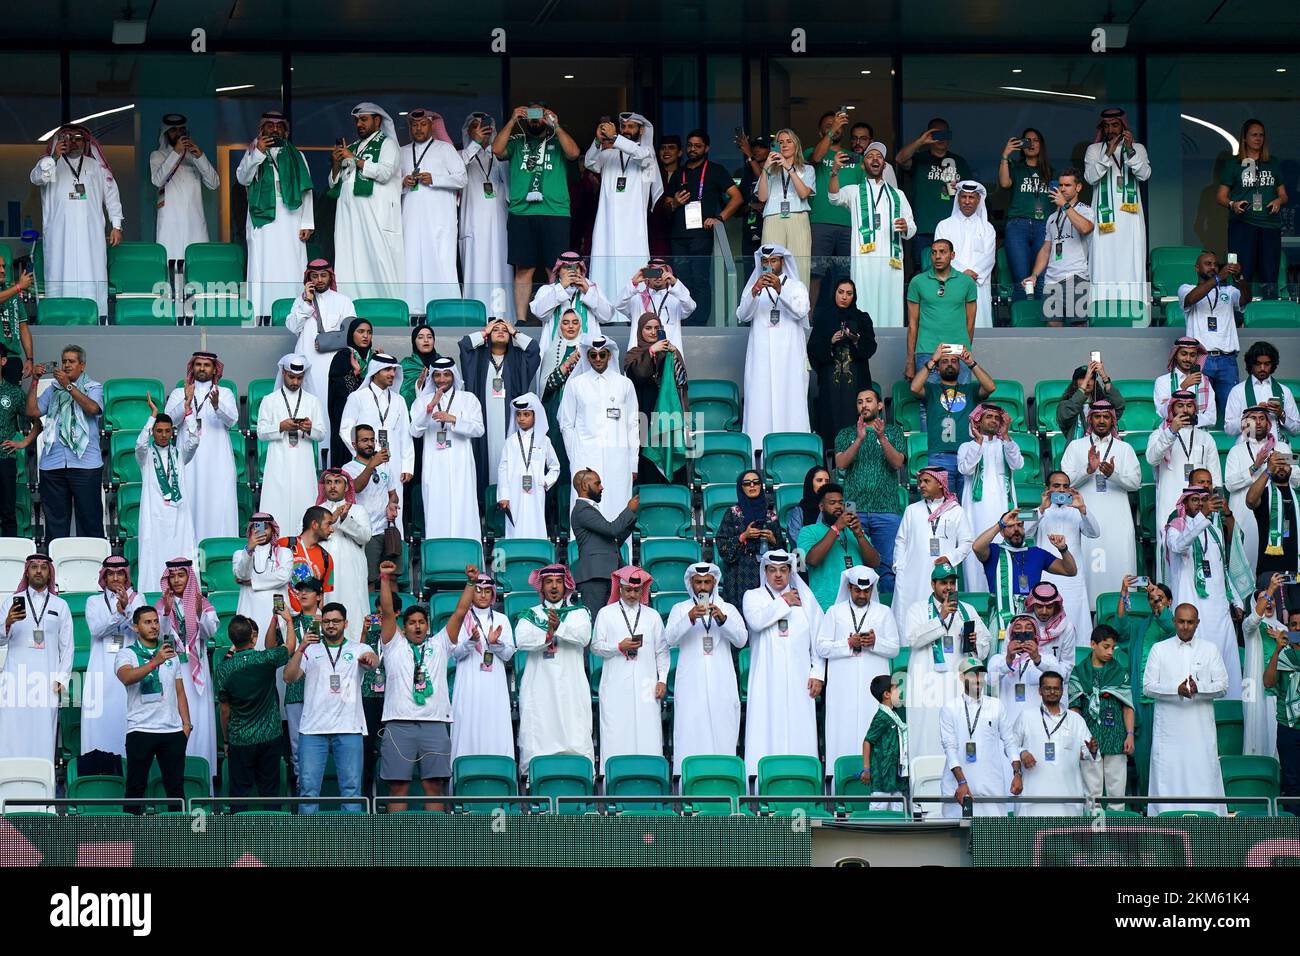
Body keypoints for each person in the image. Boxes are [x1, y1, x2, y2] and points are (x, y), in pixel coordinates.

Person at [492, 102, 583, 325]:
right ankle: (522, 320)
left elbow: (574, 153)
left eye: (539, 115)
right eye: (531, 115)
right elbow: (496, 150)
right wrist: (513, 121)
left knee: (556, 267)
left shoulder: (556, 139)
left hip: (555, 212)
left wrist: (556, 126)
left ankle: (556, 317)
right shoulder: (516, 141)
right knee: (524, 268)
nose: (535, 119)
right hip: (521, 212)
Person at [285, 600, 378, 814]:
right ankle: (310, 845)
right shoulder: (310, 650)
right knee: (308, 791)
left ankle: (352, 846)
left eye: (336, 621)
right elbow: (289, 678)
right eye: (326, 621)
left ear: (346, 623)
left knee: (352, 791)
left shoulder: (359, 648)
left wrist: (370, 658)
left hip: (349, 727)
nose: (331, 625)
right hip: (312, 730)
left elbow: (374, 661)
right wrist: (301, 647)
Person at [742, 550, 825, 781]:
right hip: (765, 680)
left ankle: (802, 783)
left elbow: (819, 637)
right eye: (772, 570)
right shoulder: (753, 596)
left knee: (800, 730)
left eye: (783, 570)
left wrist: (818, 673)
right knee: (764, 731)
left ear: (790, 571)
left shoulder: (805, 598)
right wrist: (784, 602)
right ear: (765, 572)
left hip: (801, 680)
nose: (778, 575)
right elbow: (756, 622)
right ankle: (762, 787)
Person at [376, 571, 451, 813]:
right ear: (404, 627)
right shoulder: (393, 644)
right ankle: (398, 848)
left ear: (428, 626)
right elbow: (387, 611)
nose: (417, 626)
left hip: (434, 723)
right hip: (399, 724)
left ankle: (437, 848)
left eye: (421, 622)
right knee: (398, 786)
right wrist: (385, 580)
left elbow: (460, 612)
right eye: (411, 622)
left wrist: (471, 584)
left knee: (433, 785)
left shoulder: (439, 644)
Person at [1143, 602, 1229, 815]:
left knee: (1203, 774)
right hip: (1169, 733)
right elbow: (1148, 687)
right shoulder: (1159, 649)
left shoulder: (1210, 649)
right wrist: (1176, 689)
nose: (1185, 626)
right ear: (1174, 622)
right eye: (1181, 621)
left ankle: (1207, 826)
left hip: (1200, 731)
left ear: (1198, 623)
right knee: (1168, 776)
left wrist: (1199, 688)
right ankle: (1165, 828)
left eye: (1190, 622)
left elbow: (1223, 686)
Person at [903, 560, 991, 762]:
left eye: (952, 582)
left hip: (958, 684)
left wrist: (976, 642)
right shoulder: (917, 609)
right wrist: (940, 617)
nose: (949, 587)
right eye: (944, 583)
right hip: (928, 683)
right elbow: (913, 639)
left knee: (960, 731)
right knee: (928, 733)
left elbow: (985, 644)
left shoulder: (967, 610)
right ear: (933, 584)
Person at [29, 125, 122, 316]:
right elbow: (36, 179)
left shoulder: (95, 165)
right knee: (61, 276)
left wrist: (117, 225)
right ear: (60, 142)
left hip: (91, 237)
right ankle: (60, 317)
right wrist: (53, 157)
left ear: (85, 142)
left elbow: (111, 194)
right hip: (60, 237)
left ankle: (96, 317)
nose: (73, 142)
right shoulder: (49, 165)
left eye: (78, 138)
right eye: (68, 139)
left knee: (92, 276)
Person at [664, 563, 747, 775]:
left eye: (707, 582)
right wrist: (689, 618)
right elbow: (670, 639)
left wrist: (722, 620)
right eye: (698, 582)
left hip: (722, 681)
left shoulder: (728, 608)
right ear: (691, 583)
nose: (702, 587)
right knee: (691, 730)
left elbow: (741, 640)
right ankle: (689, 784)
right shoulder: (680, 609)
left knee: (723, 730)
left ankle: (723, 781)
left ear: (714, 583)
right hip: (692, 683)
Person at [818, 566, 899, 781]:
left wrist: (875, 643)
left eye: (867, 591)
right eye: (857, 591)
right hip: (842, 688)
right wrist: (848, 644)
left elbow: (895, 648)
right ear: (848, 588)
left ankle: (878, 794)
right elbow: (821, 647)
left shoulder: (884, 612)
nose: (862, 595)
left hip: (873, 691)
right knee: (841, 733)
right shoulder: (834, 612)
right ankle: (839, 790)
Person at [1165, 486, 1245, 699]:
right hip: (1194, 604)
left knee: (1225, 658)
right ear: (1185, 503)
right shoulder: (1176, 527)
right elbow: (1178, 546)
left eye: (1203, 500)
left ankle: (1230, 708)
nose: (1200, 504)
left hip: (1218, 608)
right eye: (1195, 500)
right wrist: (1202, 518)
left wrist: (1236, 600)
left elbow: (1222, 569)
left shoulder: (1215, 530)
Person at [514, 564, 595, 767]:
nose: (554, 586)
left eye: (558, 582)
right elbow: (521, 639)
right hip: (539, 685)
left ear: (566, 586)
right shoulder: (529, 614)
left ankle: (579, 773)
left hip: (571, 686)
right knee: (539, 729)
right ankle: (533, 775)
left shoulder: (579, 613)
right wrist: (547, 634)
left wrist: (559, 627)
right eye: (549, 582)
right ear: (541, 587)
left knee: (574, 731)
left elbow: (584, 638)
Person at [236, 110, 314, 318]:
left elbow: (306, 190)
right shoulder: (253, 152)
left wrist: (307, 222)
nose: (275, 129)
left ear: (286, 131)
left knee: (291, 265)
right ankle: (262, 313)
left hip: (292, 218)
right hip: (263, 219)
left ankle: (291, 314)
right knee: (263, 266)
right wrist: (258, 153)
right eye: (269, 125)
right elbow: (243, 178)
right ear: (262, 130)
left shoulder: (297, 155)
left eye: (279, 126)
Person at [1060, 400, 1141, 598]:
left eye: (1106, 417)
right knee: (1088, 570)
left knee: (1119, 565)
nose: (1102, 421)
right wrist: (1088, 470)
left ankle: (1123, 611)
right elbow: (1065, 483)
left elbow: (1135, 483)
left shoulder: (1124, 449)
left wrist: (1114, 474)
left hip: (1118, 521)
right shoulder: (1075, 447)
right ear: (1090, 420)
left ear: (1112, 420)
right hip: (1087, 519)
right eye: (1097, 417)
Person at [591, 566, 668, 770]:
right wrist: (618, 647)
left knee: (648, 731)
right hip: (615, 684)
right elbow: (596, 647)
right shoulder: (606, 614)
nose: (632, 594)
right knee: (616, 732)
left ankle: (650, 778)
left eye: (636, 590)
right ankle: (614, 780)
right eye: (628, 590)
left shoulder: (652, 616)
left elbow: (662, 651)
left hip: (646, 684)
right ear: (620, 589)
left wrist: (663, 680)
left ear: (642, 590)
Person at [665, 130, 744, 328]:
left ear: (706, 148)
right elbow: (666, 202)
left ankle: (699, 323)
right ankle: (682, 323)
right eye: (690, 145)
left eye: (697, 146)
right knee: (681, 280)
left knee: (699, 278)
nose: (693, 149)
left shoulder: (716, 170)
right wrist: (674, 202)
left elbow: (737, 197)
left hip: (702, 234)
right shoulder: (679, 172)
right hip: (678, 235)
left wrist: (719, 218)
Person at [115, 605, 190, 813]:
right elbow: (127, 677)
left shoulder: (170, 653)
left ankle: (178, 838)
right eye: (147, 622)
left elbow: (180, 692)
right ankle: (132, 842)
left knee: (176, 790)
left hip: (172, 730)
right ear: (135, 627)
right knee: (135, 789)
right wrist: (155, 661)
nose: (154, 626)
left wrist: (186, 724)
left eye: (156, 621)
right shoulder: (126, 654)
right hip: (141, 729)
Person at [738, 244, 812, 450]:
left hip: (789, 359)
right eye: (765, 262)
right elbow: (742, 315)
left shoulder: (796, 286)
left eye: (773, 261)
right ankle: (757, 457)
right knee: (759, 406)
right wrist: (754, 293)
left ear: (782, 262)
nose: (769, 265)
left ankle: (794, 454)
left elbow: (801, 311)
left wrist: (780, 289)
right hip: (761, 359)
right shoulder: (754, 286)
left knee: (791, 404)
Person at [0, 555, 74, 761]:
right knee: (11, 729)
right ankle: (8, 782)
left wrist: (62, 677)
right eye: (34, 567)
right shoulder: (11, 602)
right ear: (27, 572)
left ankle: (42, 786)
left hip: (47, 680)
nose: (39, 571)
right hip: (15, 678)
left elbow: (67, 646)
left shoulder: (60, 605)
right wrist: (6, 623)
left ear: (50, 572)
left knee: (43, 731)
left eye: (43, 567)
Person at [216, 612, 293, 807]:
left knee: (239, 795)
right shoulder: (266, 659)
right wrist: (289, 621)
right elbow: (289, 648)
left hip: (240, 740)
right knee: (270, 793)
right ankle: (272, 835)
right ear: (253, 637)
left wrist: (226, 741)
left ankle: (237, 836)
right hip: (270, 737)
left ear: (232, 640)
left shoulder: (223, 668)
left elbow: (225, 711)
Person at [328, 102, 403, 299]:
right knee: (350, 261)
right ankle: (350, 305)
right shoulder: (351, 147)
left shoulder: (388, 144)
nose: (359, 124)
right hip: (349, 217)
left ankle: (388, 309)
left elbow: (385, 172)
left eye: (364, 119)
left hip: (375, 215)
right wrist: (336, 163)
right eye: (356, 121)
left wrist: (355, 159)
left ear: (377, 120)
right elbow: (334, 182)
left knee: (378, 263)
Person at [27, 347, 103, 540]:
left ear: (82, 365)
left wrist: (69, 386)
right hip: (52, 464)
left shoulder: (94, 387)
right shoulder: (53, 388)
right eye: (64, 361)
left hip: (85, 464)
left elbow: (93, 409)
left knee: (90, 521)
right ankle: (55, 568)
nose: (67, 365)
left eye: (71, 361)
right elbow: (33, 412)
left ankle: (94, 566)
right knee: (55, 525)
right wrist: (35, 381)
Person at [559, 337, 639, 521]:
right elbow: (566, 424)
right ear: (587, 357)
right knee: (587, 509)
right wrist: (576, 457)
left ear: (609, 355)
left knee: (618, 505)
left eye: (602, 354)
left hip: (618, 459)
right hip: (585, 457)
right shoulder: (576, 384)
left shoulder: (624, 384)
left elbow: (633, 425)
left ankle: (620, 550)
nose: (597, 359)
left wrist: (633, 462)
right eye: (593, 355)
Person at [153, 558, 217, 786]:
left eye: (181, 575)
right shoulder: (162, 605)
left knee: (199, 718)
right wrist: (167, 612)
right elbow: (157, 636)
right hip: (173, 669)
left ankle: (201, 778)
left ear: (189, 577)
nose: (177, 580)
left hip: (196, 669)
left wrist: (199, 612)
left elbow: (210, 633)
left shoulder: (203, 602)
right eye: (173, 575)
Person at [833, 388, 905, 592]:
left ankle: (887, 617)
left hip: (886, 510)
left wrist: (882, 438)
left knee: (888, 568)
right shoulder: (847, 433)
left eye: (868, 400)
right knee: (855, 568)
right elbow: (841, 464)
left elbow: (897, 463)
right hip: (854, 510)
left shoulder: (893, 432)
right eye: (859, 402)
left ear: (880, 405)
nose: (864, 405)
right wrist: (859, 440)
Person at [459, 316, 541, 494]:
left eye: (505, 330)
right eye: (496, 330)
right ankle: (484, 503)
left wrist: (515, 331)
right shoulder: (478, 358)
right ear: (488, 336)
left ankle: (509, 499)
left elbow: (534, 349)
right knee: (485, 461)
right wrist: (485, 331)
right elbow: (465, 345)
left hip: (510, 420)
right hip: (485, 421)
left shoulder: (518, 359)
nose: (501, 332)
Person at [585, 112, 662, 301]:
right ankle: (606, 310)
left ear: (641, 130)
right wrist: (597, 140)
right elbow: (589, 162)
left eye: (631, 127)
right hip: (608, 224)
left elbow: (639, 153)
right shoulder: (609, 154)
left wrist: (615, 137)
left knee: (634, 263)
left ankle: (634, 309)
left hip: (633, 226)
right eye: (623, 127)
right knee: (606, 265)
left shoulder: (646, 153)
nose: (626, 130)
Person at [164, 351, 238, 541]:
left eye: (206, 365)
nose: (202, 368)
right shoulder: (179, 393)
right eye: (198, 364)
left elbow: (232, 420)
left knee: (217, 503)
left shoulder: (225, 393)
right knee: (189, 500)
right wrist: (185, 402)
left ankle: (217, 550)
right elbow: (168, 421)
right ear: (192, 367)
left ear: (214, 369)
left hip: (217, 460)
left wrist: (216, 405)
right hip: (188, 459)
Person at [444, 566, 515, 762]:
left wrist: (496, 643)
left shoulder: (501, 619)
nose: (482, 595)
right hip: (468, 682)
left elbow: (509, 654)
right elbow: (454, 653)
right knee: (467, 724)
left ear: (492, 594)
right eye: (477, 590)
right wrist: (470, 642)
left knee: (495, 725)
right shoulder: (462, 618)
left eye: (486, 591)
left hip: (494, 684)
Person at [399, 108, 466, 313]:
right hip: (410, 218)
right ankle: (413, 310)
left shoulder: (445, 149)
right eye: (414, 125)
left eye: (423, 124)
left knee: (441, 262)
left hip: (439, 221)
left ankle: (446, 310)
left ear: (431, 126)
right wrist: (403, 182)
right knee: (411, 263)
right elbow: (389, 185)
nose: (418, 129)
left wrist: (435, 179)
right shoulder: (401, 151)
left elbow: (462, 178)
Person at [410, 356, 484, 540]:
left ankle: (468, 558)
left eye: (446, 375)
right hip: (435, 466)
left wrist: (453, 419)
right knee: (436, 510)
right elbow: (415, 431)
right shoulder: (423, 400)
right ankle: (439, 559)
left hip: (462, 466)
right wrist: (430, 407)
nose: (442, 379)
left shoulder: (468, 399)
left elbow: (479, 429)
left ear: (454, 375)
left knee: (464, 511)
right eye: (437, 375)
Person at [1084, 107, 1152, 307]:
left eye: (1115, 125)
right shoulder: (1094, 150)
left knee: (1131, 260)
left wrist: (1129, 151)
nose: (1111, 130)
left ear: (1123, 126)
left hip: (1130, 218)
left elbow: (1145, 174)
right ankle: (1102, 306)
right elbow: (1090, 178)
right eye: (1106, 126)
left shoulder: (1137, 148)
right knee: (1103, 261)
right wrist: (1107, 154)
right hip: (1105, 219)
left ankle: (1134, 305)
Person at [892, 468, 974, 634]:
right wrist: (899, 567)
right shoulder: (912, 510)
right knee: (909, 613)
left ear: (940, 483)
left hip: (942, 575)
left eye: (926, 481)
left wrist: (950, 558)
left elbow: (967, 542)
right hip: (912, 574)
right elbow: (901, 540)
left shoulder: (956, 511)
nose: (921, 485)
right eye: (920, 481)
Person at [1148, 389, 1221, 572]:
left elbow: (1216, 479)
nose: (1185, 410)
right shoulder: (1160, 434)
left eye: (1189, 406)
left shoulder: (1206, 438)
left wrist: (1217, 508)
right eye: (1180, 406)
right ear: (1172, 408)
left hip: (1200, 505)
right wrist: (1171, 431)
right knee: (1170, 545)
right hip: (1169, 500)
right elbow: (1152, 459)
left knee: (1202, 546)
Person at [1219, 119, 1289, 302]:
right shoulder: (1234, 164)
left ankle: (1269, 318)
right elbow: (1221, 196)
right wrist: (1232, 204)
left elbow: (1284, 195)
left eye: (1261, 135)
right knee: (1242, 272)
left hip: (1269, 225)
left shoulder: (1272, 163)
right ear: (1244, 138)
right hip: (1243, 225)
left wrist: (1278, 200)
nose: (1258, 138)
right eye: (1254, 135)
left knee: (1269, 274)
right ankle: (1239, 318)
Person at [81, 556, 144, 759]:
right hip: (100, 667)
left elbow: (142, 630)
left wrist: (127, 608)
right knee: (99, 720)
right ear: (104, 577)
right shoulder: (94, 601)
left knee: (126, 717)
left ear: (126, 575)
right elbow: (97, 630)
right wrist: (119, 614)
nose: (115, 578)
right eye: (111, 574)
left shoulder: (138, 599)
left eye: (120, 573)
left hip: (129, 667)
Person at [909, 348, 995, 496]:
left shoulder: (970, 389)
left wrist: (971, 363)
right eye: (944, 361)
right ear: (937, 368)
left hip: (968, 454)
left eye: (954, 361)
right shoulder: (931, 389)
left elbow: (990, 387)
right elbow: (914, 387)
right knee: (942, 504)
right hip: (939, 455)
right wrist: (932, 360)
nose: (950, 364)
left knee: (968, 504)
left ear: (960, 367)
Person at [256, 355, 326, 536]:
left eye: (299, 378)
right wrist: (281, 426)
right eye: (291, 377)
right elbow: (261, 432)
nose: (295, 381)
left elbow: (321, 434)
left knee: (304, 505)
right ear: (283, 373)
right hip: (278, 464)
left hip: (303, 464)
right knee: (276, 505)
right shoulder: (269, 400)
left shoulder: (312, 401)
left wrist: (310, 429)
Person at [1009, 670, 1096, 816]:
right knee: (1030, 837)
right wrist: (1022, 753)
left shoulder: (1076, 719)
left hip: (1068, 797)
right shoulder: (1027, 716)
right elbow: (1010, 746)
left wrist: (1092, 750)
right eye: (1047, 688)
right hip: (1033, 796)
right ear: (1040, 691)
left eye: (1056, 688)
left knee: (1066, 838)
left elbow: (1086, 753)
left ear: (1062, 690)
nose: (1052, 692)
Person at [338, 352, 414, 515]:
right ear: (375, 371)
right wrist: (363, 458)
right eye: (387, 369)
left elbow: (405, 435)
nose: (392, 374)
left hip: (394, 463)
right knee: (367, 505)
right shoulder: (357, 397)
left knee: (394, 507)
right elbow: (346, 430)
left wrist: (407, 465)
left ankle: (394, 540)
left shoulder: (398, 400)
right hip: (365, 465)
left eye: (394, 370)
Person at [957, 404, 1023, 591]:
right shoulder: (967, 446)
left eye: (996, 417)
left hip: (1003, 505)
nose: (993, 420)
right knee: (977, 547)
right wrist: (978, 443)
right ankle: (978, 596)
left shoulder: (1007, 444)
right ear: (978, 420)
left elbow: (1017, 464)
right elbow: (965, 468)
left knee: (1002, 546)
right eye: (988, 417)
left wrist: (1007, 436)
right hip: (976, 509)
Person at [135, 399, 199, 588]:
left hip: (179, 515)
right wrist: (152, 416)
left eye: (167, 431)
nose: (164, 435)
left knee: (182, 552)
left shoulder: (180, 453)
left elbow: (194, 441)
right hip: (153, 515)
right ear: (153, 432)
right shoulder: (145, 456)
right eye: (159, 431)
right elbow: (140, 444)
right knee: (152, 556)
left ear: (173, 432)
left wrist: (188, 415)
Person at [939, 657, 1014, 818]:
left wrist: (1017, 772)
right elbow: (950, 747)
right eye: (972, 675)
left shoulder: (996, 705)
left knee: (992, 840)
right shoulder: (950, 708)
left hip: (990, 787)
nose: (977, 679)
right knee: (958, 840)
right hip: (958, 788)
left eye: (980, 674)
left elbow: (1009, 741)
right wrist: (962, 782)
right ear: (961, 677)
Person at [973, 512, 1075, 631]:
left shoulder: (1037, 553)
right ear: (1001, 531)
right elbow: (977, 547)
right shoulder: (993, 551)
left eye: (1020, 525)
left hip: (1031, 617)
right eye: (1010, 526)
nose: (1016, 529)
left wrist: (1063, 549)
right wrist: (1000, 524)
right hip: (1001, 617)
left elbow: (1070, 570)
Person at [808, 278, 877, 452]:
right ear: (834, 294)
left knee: (856, 425)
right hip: (830, 386)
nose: (844, 297)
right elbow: (813, 349)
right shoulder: (823, 318)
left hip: (856, 386)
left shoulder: (862, 318)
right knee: (829, 427)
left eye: (849, 293)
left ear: (854, 296)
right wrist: (830, 342)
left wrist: (856, 340)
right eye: (841, 292)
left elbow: (870, 348)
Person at [1227, 406, 1298, 578]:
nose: (1258, 422)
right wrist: (1256, 466)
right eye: (1253, 418)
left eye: (1262, 418)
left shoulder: (1282, 447)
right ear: (1245, 424)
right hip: (1245, 514)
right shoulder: (1236, 450)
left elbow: (1296, 479)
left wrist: (1282, 466)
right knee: (1245, 564)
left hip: (1275, 517)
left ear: (1269, 423)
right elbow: (1229, 484)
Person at [1068, 624, 1134, 807]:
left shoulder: (1120, 672)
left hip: (1116, 736)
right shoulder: (1078, 673)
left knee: (1117, 793)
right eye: (1106, 647)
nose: (1110, 652)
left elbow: (1128, 706)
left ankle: (1117, 834)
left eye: (1113, 648)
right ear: (1093, 644)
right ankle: (1094, 833)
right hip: (1090, 738)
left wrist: (1129, 734)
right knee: (1092, 794)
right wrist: (1081, 740)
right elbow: (1074, 709)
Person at [287, 260, 354, 434]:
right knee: (309, 410)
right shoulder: (299, 302)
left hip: (334, 367)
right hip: (307, 364)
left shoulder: (343, 301)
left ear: (330, 276)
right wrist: (307, 304)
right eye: (314, 276)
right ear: (308, 278)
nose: (319, 280)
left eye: (323, 275)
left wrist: (328, 341)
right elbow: (293, 327)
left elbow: (351, 332)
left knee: (332, 411)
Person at [623, 312, 689, 485]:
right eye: (648, 328)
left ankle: (677, 507)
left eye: (656, 328)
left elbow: (681, 380)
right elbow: (637, 375)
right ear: (640, 331)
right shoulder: (633, 354)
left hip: (668, 417)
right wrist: (652, 351)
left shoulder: (670, 352)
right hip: (643, 415)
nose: (653, 332)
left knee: (671, 461)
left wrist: (674, 356)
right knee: (647, 462)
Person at [896, 118, 970, 269]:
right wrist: (921, 142)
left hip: (953, 228)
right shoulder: (919, 159)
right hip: (924, 228)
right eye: (937, 134)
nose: (941, 138)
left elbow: (971, 195)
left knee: (955, 270)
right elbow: (900, 158)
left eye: (945, 134)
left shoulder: (959, 162)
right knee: (923, 270)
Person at [459, 112, 513, 318]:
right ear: (468, 132)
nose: (482, 131)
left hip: (499, 224)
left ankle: (502, 316)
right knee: (476, 272)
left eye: (486, 127)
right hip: (473, 225)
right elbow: (456, 171)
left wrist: (497, 154)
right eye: (476, 127)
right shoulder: (461, 156)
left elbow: (510, 187)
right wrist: (474, 144)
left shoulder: (501, 158)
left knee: (500, 271)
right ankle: (476, 315)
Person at [1026, 168, 1095, 326]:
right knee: (1053, 327)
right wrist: (1035, 275)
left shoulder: (1085, 210)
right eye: (1061, 185)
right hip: (1051, 280)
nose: (1062, 188)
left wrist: (1064, 205)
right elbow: (1045, 250)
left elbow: (1085, 228)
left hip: (1076, 277)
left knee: (1078, 327)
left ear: (1078, 187)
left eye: (1068, 185)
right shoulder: (1052, 217)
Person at [1031, 473, 1095, 641]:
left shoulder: (1076, 512)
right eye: (1056, 486)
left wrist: (1083, 509)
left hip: (1072, 578)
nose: (1061, 490)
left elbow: (1094, 533)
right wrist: (1041, 509)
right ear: (1047, 489)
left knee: (1075, 623)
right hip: (1046, 576)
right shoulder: (1039, 511)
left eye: (1065, 486)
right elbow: (1026, 532)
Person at [149, 114, 220, 266]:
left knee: (197, 267)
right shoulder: (158, 156)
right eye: (173, 130)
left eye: (182, 130)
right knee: (170, 267)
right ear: (165, 133)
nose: (178, 133)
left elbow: (214, 183)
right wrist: (176, 152)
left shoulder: (194, 157)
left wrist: (200, 156)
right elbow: (158, 180)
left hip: (194, 223)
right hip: (170, 224)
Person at [904, 242, 979, 386]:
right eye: (933, 252)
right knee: (929, 404)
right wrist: (910, 362)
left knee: (962, 402)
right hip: (927, 350)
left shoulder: (967, 282)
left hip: (959, 352)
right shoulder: (917, 282)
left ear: (952, 255)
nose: (937, 256)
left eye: (942, 252)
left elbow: (970, 322)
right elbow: (912, 325)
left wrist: (965, 349)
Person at [797, 483, 880, 611]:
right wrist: (836, 528)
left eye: (841, 503)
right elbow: (812, 560)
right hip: (826, 604)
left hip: (859, 603)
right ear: (821, 506)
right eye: (832, 503)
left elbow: (874, 562)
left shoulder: (854, 532)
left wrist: (859, 535)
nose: (838, 506)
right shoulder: (808, 531)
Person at [1180, 252, 1243, 422]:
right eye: (1208, 264)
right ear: (1197, 268)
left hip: (1227, 360)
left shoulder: (1229, 291)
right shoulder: (1185, 288)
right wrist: (1217, 279)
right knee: (1198, 410)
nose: (1213, 267)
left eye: (1215, 264)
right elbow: (1191, 299)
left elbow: (1246, 299)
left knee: (1232, 412)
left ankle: (1230, 448)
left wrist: (1239, 278)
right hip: (1200, 359)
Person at [804, 110, 858, 302]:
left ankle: (845, 320)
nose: (834, 128)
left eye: (837, 126)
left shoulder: (854, 157)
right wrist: (831, 131)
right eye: (828, 126)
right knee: (815, 274)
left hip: (850, 224)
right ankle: (809, 321)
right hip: (820, 222)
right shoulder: (812, 152)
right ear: (820, 133)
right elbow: (816, 159)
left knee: (847, 275)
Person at [570, 469, 638, 611]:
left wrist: (631, 521)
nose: (601, 487)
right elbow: (611, 529)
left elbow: (613, 540)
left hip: (606, 573)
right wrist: (629, 510)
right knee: (596, 619)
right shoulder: (582, 509)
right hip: (594, 576)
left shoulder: (589, 509)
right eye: (597, 484)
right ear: (584, 485)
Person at [340, 425, 400, 586]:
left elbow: (393, 494)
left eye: (372, 440)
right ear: (354, 444)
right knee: (369, 580)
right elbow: (356, 487)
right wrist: (372, 465)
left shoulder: (385, 465)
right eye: (364, 440)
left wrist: (392, 505)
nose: (370, 444)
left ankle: (394, 612)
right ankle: (370, 612)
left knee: (392, 578)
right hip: (366, 533)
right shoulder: (347, 469)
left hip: (386, 530)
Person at [316, 469, 372, 642]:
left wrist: (346, 517)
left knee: (354, 616)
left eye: (338, 482)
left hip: (352, 576)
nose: (333, 486)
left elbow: (365, 536)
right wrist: (330, 520)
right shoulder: (314, 511)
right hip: (325, 576)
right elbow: (305, 538)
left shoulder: (358, 510)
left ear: (346, 486)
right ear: (323, 486)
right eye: (329, 482)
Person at [717, 469, 784, 610]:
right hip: (739, 575)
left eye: (756, 482)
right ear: (741, 488)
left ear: (761, 486)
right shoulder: (732, 513)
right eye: (747, 483)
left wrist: (773, 540)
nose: (752, 486)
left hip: (766, 575)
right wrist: (743, 536)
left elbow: (782, 551)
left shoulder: (771, 516)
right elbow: (722, 548)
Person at [755, 129, 816, 281]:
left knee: (800, 266)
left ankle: (799, 304)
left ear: (796, 145)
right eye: (780, 142)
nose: (784, 145)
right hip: (773, 217)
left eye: (789, 141)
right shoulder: (769, 171)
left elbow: (803, 194)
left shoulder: (807, 169)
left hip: (798, 217)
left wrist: (789, 168)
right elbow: (762, 198)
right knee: (770, 265)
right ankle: (771, 303)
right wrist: (765, 169)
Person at [998, 129, 1052, 302]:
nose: (1031, 144)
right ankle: (1022, 325)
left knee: (1041, 278)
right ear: (1021, 145)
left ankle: (1042, 324)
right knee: (1021, 278)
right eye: (1027, 140)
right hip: (1017, 225)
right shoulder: (1016, 167)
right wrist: (1006, 155)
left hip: (1044, 225)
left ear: (1041, 145)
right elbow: (1005, 183)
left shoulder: (1050, 171)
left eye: (1035, 140)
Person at [497, 393, 560, 540]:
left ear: (535, 416)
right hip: (513, 493)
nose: (521, 418)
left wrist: (545, 482)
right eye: (518, 414)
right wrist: (504, 496)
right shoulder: (510, 441)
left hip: (536, 491)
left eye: (526, 414)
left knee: (535, 524)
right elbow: (502, 469)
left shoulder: (544, 440)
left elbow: (555, 466)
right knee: (514, 527)